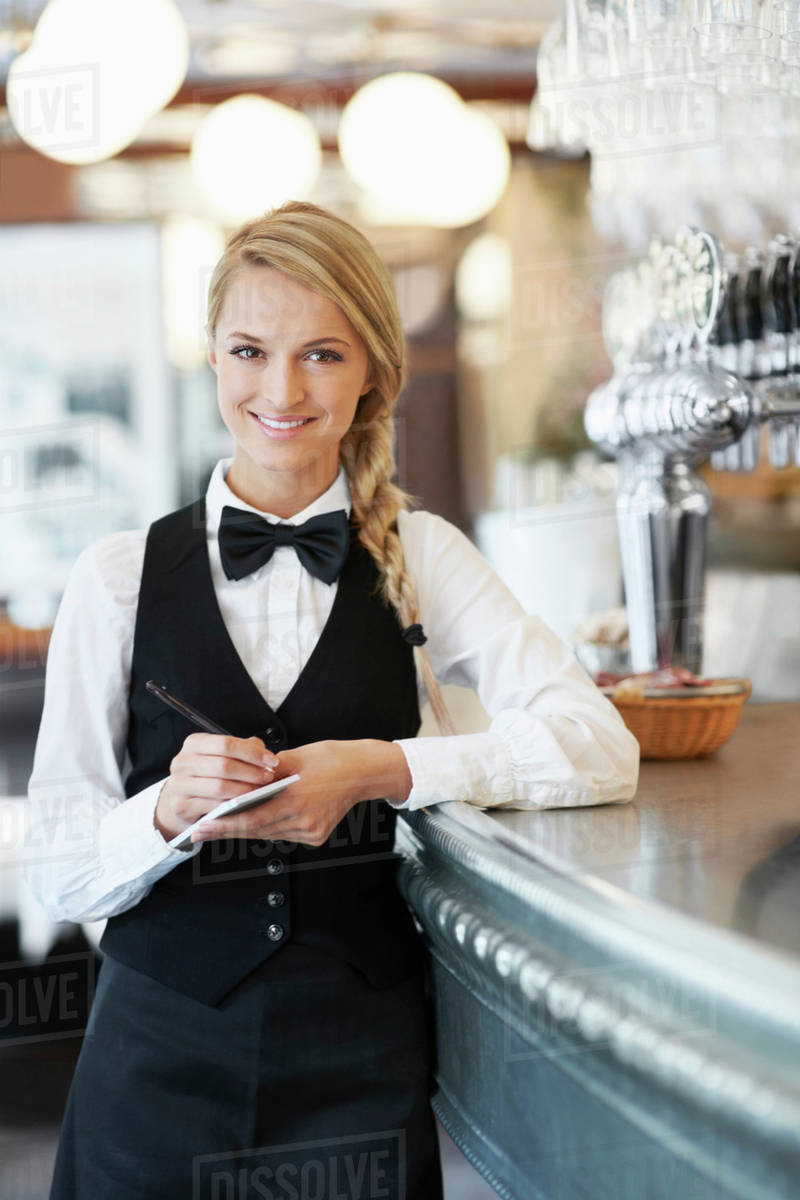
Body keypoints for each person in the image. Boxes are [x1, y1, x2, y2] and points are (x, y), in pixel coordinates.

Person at [25, 200, 639, 1200]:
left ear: (370, 375)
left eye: (320, 354)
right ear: (213, 363)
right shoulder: (115, 578)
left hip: (356, 1067)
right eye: (248, 350)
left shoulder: (424, 558)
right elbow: (56, 866)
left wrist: (386, 767)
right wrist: (164, 818)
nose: (280, 387)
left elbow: (596, 745)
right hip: (156, 1065)